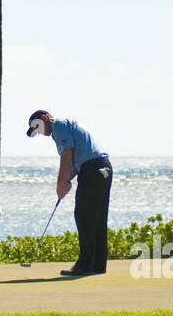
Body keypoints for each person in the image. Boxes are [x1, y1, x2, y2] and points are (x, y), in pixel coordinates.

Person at [27, 108, 112, 276]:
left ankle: (85, 265)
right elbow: (74, 163)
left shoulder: (58, 124)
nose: (40, 132)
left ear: (44, 118)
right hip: (102, 167)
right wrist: (66, 181)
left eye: (38, 127)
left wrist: (60, 182)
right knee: (96, 218)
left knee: (84, 215)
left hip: (92, 169)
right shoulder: (63, 128)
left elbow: (67, 154)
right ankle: (97, 265)